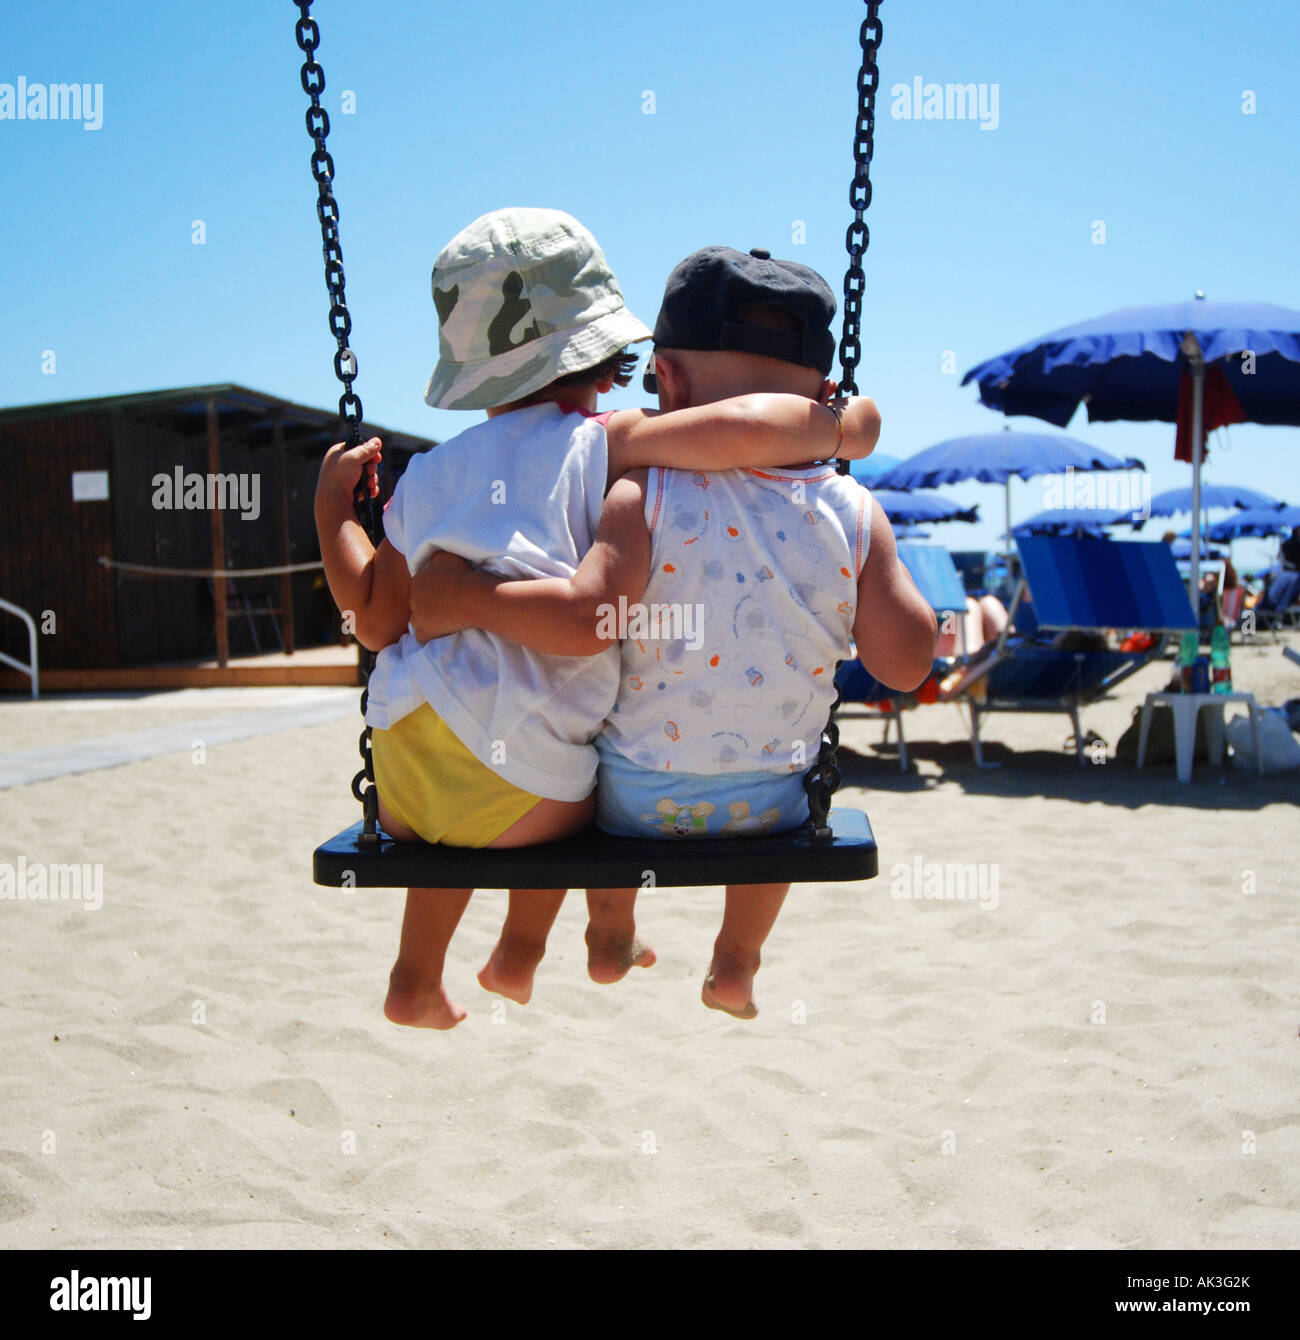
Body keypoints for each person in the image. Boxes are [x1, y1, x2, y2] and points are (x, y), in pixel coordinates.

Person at [315, 213, 882, 1029]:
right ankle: (520, 953)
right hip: (521, 795)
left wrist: (335, 513)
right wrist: (839, 429)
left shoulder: (430, 477)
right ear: (607, 360)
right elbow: (741, 434)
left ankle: (415, 974)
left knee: (464, 816)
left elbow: (370, 621)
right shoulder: (603, 446)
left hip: (404, 779)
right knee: (587, 793)